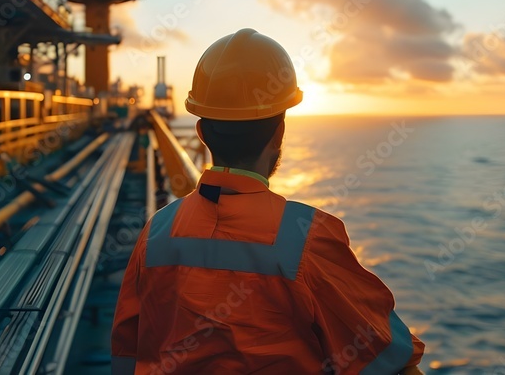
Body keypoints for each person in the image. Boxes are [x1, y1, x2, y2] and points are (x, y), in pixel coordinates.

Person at [111, 28, 425, 374]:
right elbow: (387, 359)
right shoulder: (308, 239)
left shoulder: (156, 233)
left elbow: (128, 350)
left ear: (200, 133)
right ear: (280, 133)